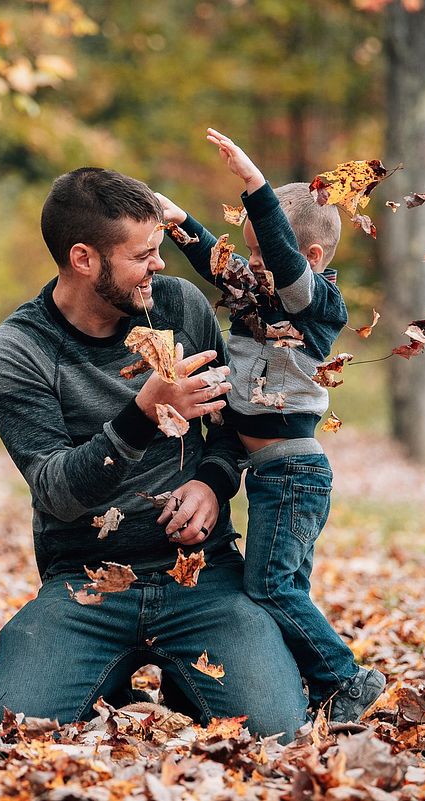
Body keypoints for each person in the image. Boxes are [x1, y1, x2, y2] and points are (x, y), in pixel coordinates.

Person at [0, 167, 309, 740]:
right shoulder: (18, 349)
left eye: (158, 250)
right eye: (142, 255)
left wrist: (212, 482)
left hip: (204, 576)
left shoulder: (179, 306)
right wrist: (145, 411)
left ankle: (186, 677)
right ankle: (108, 676)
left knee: (275, 732)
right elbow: (56, 491)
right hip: (84, 583)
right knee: (12, 728)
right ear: (84, 259)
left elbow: (230, 423)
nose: (159, 265)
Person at [155, 128, 386, 722]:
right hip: (270, 475)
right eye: (252, 253)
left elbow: (283, 259)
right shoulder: (258, 298)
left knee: (269, 588)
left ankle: (347, 680)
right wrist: (179, 221)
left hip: (293, 475)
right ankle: (306, 686)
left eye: (262, 255)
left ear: (312, 258)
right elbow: (220, 263)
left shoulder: (317, 305)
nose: (253, 264)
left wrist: (255, 185)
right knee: (286, 587)